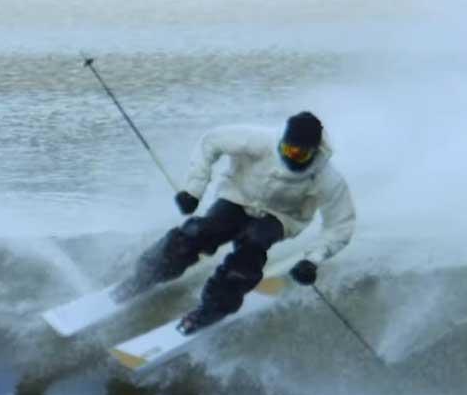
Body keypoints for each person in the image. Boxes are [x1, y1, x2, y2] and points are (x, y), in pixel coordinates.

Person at [115, 111, 356, 334]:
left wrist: (312, 261)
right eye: (288, 149)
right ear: (281, 140)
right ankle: (144, 276)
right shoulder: (259, 140)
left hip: (280, 217)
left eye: (300, 154)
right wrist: (193, 190)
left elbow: (340, 226)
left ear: (314, 152)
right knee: (197, 233)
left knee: (251, 248)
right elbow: (210, 142)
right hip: (236, 198)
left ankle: (212, 308)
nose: (291, 156)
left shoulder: (327, 178)